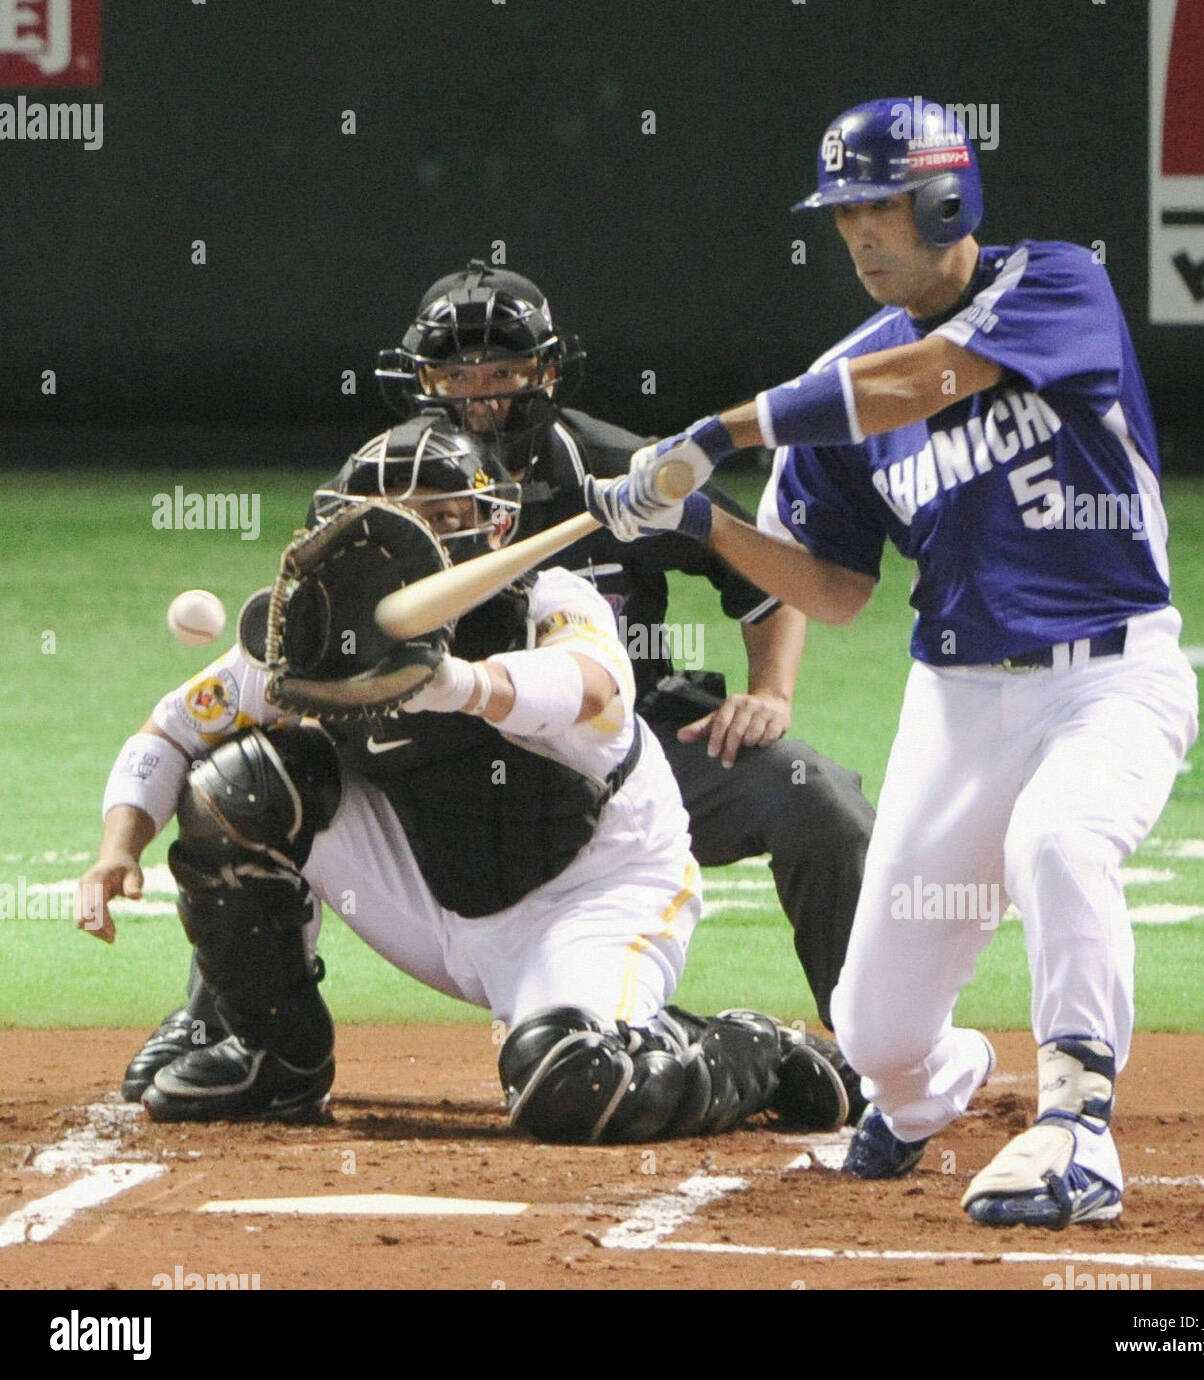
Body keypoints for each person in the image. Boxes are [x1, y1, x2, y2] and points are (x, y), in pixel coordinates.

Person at [584, 97, 1199, 1225]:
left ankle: (1076, 1130)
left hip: (1111, 676)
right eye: (843, 216)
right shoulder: (839, 383)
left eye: (880, 206)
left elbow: (923, 382)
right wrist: (697, 519)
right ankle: (929, 1090)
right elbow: (834, 589)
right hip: (959, 702)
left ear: (947, 198)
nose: (861, 235)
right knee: (874, 1030)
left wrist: (716, 433)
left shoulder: (1054, 285)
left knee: (1061, 840)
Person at [116, 260, 875, 1109]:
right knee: (257, 774)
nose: (480, 394)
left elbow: (764, 581)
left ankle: (869, 1048)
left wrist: (769, 692)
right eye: (455, 375)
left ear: (546, 372)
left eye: (503, 372)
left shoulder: (618, 472)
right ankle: (234, 1024)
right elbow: (218, 711)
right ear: (419, 382)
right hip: (426, 754)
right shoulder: (389, 485)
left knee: (818, 801)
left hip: (618, 737)